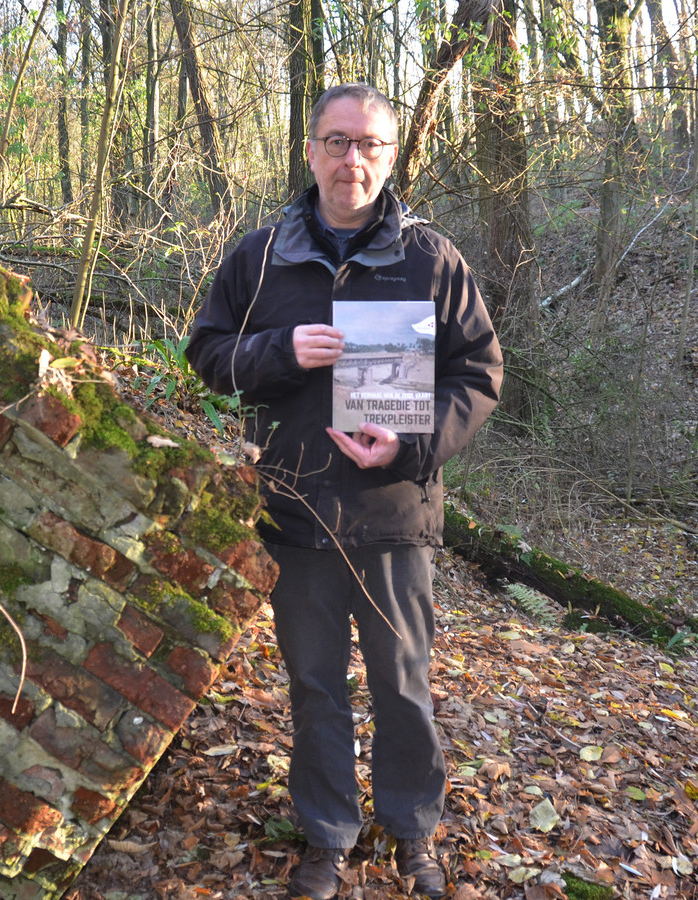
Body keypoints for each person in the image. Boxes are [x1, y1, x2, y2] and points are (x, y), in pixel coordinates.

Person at [184, 83, 503, 899]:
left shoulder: (431, 259)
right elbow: (209, 353)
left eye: (368, 144)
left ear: (391, 157)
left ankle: (413, 835)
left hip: (396, 515)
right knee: (315, 686)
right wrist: (283, 349)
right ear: (311, 150)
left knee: (404, 687)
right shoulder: (260, 257)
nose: (351, 159)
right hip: (295, 513)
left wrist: (414, 443)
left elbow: (480, 374)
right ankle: (327, 836)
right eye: (336, 142)